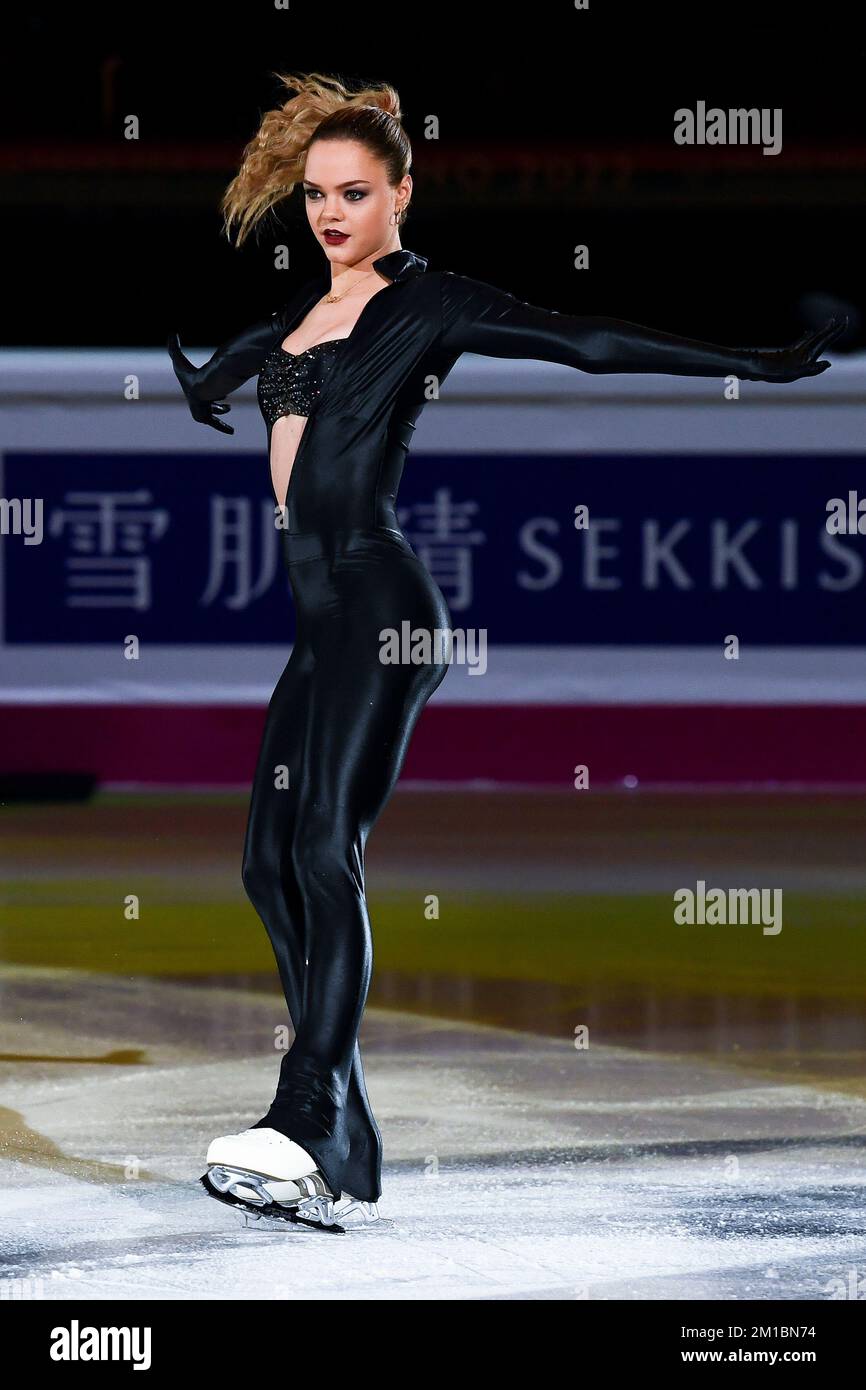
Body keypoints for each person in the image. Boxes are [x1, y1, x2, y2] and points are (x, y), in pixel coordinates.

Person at [167, 72, 843, 1231]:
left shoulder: (427, 306)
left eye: (356, 193)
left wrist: (751, 358)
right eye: (317, 194)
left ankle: (302, 1109)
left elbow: (578, 340)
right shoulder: (299, 320)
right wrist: (209, 378)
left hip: (383, 607)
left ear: (401, 194)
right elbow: (262, 356)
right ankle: (347, 1140)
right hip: (317, 626)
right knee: (265, 865)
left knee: (325, 849)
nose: (330, 214)